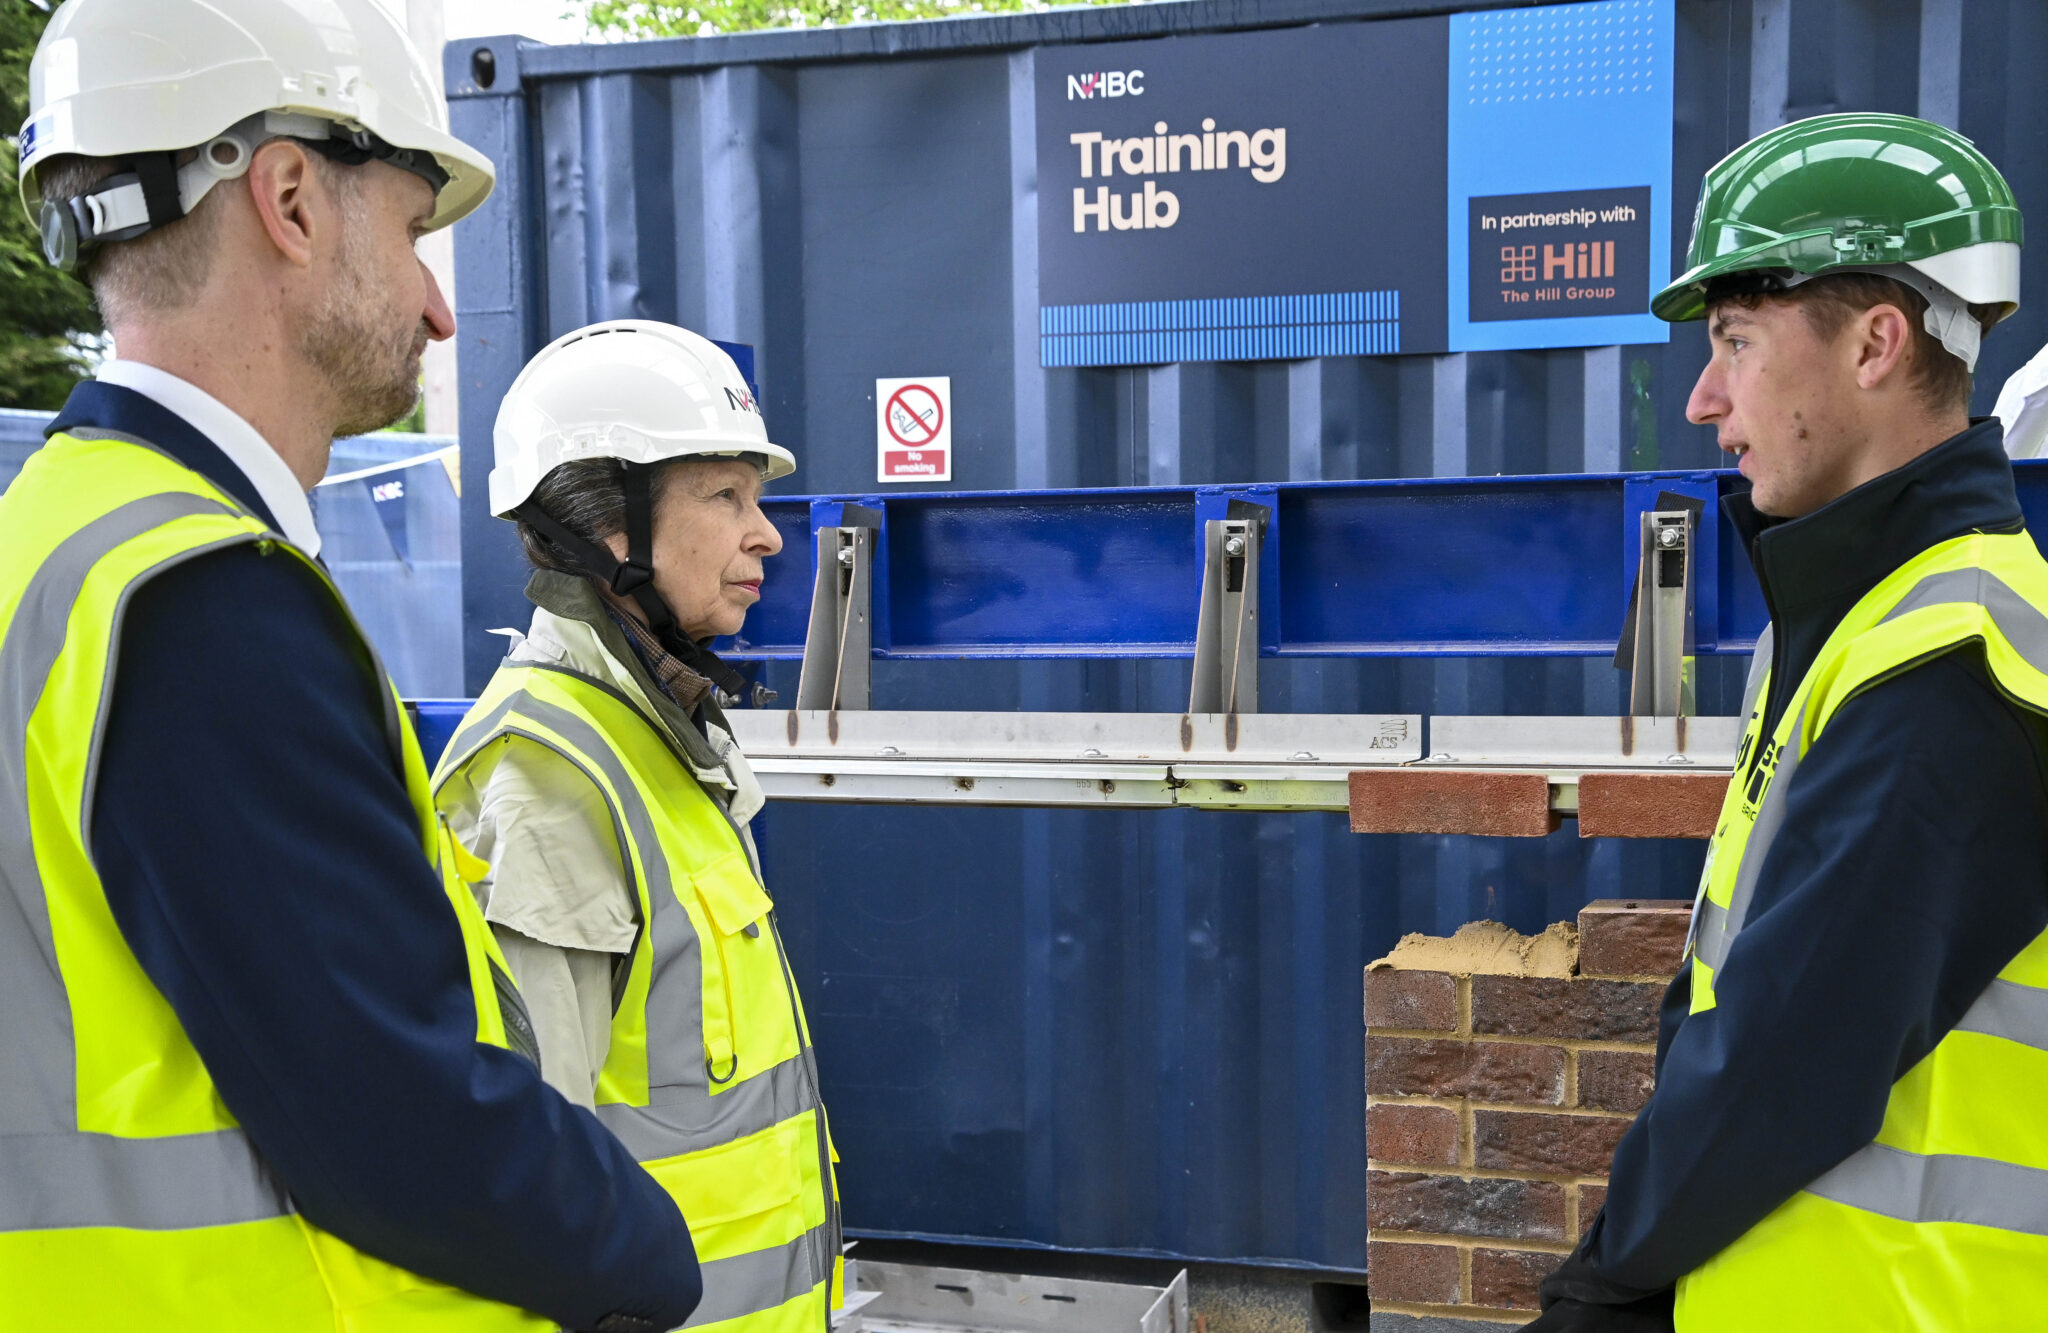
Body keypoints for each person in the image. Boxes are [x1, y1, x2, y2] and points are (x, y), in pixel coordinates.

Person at [0, 2, 700, 1328]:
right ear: (289, 201)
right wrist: (649, 1254)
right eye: (416, 230)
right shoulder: (199, 598)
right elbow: (393, 1118)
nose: (442, 307)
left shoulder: (50, 543)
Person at [1531, 112, 2048, 1331]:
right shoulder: (1845, 620)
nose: (1704, 398)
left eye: (1734, 341)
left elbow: (1779, 1065)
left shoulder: (1949, 666)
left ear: (1874, 343)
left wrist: (1601, 1286)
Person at [433, 318, 842, 1333]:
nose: (768, 535)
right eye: (723, 495)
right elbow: (530, 1176)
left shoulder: (656, 734)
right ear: (608, 527)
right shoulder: (545, 773)